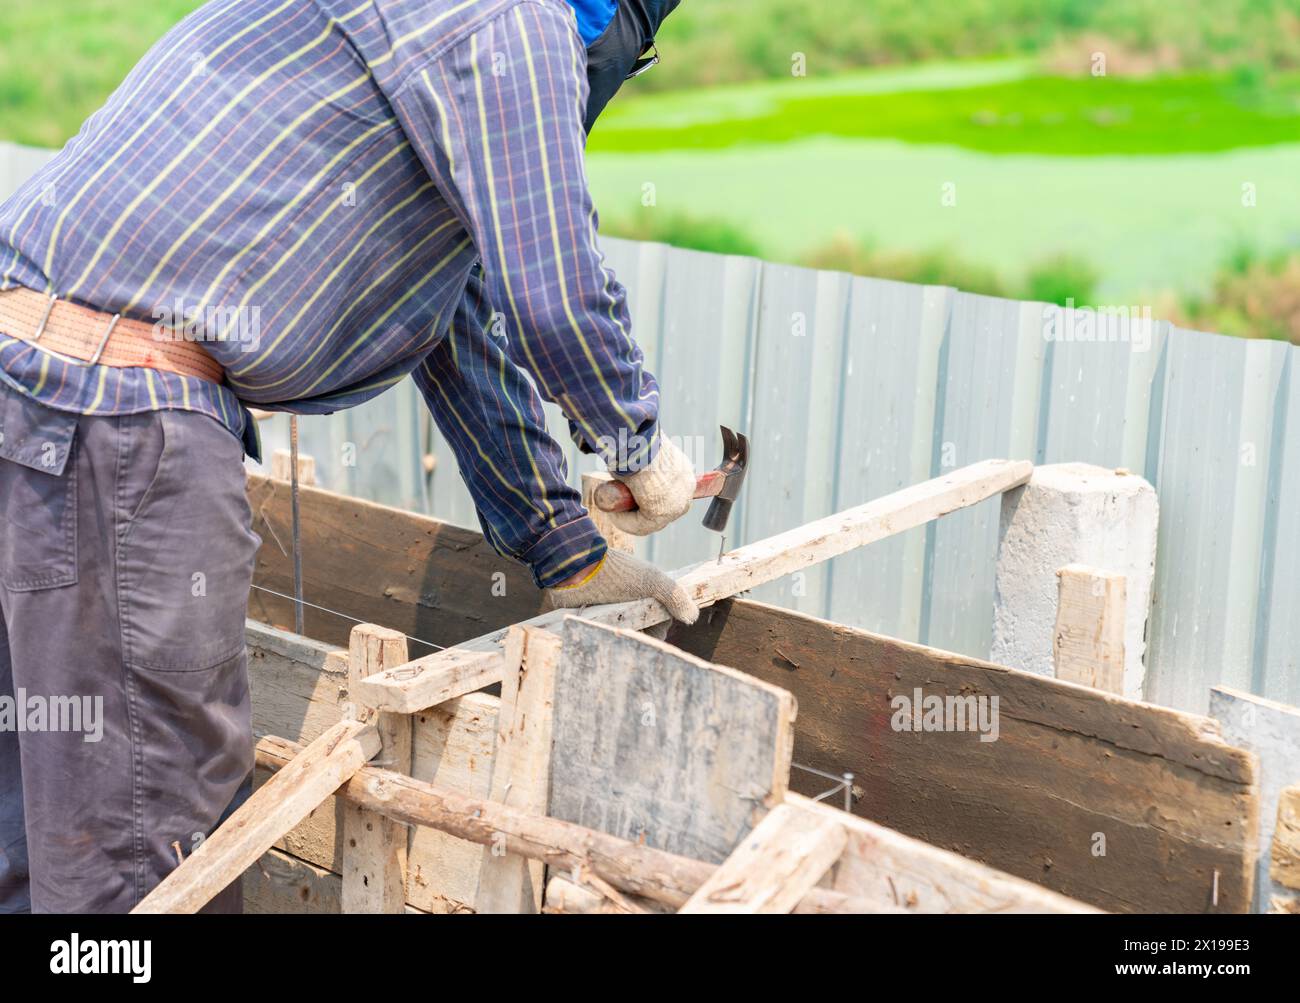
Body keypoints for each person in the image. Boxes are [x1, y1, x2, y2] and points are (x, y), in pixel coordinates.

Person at [0, 0, 690, 913]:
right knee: (147, 866)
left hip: (28, 384)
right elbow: (551, 292)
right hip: (116, 421)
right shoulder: (519, 19)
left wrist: (565, 543)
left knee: (34, 833)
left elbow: (459, 321)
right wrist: (635, 440)